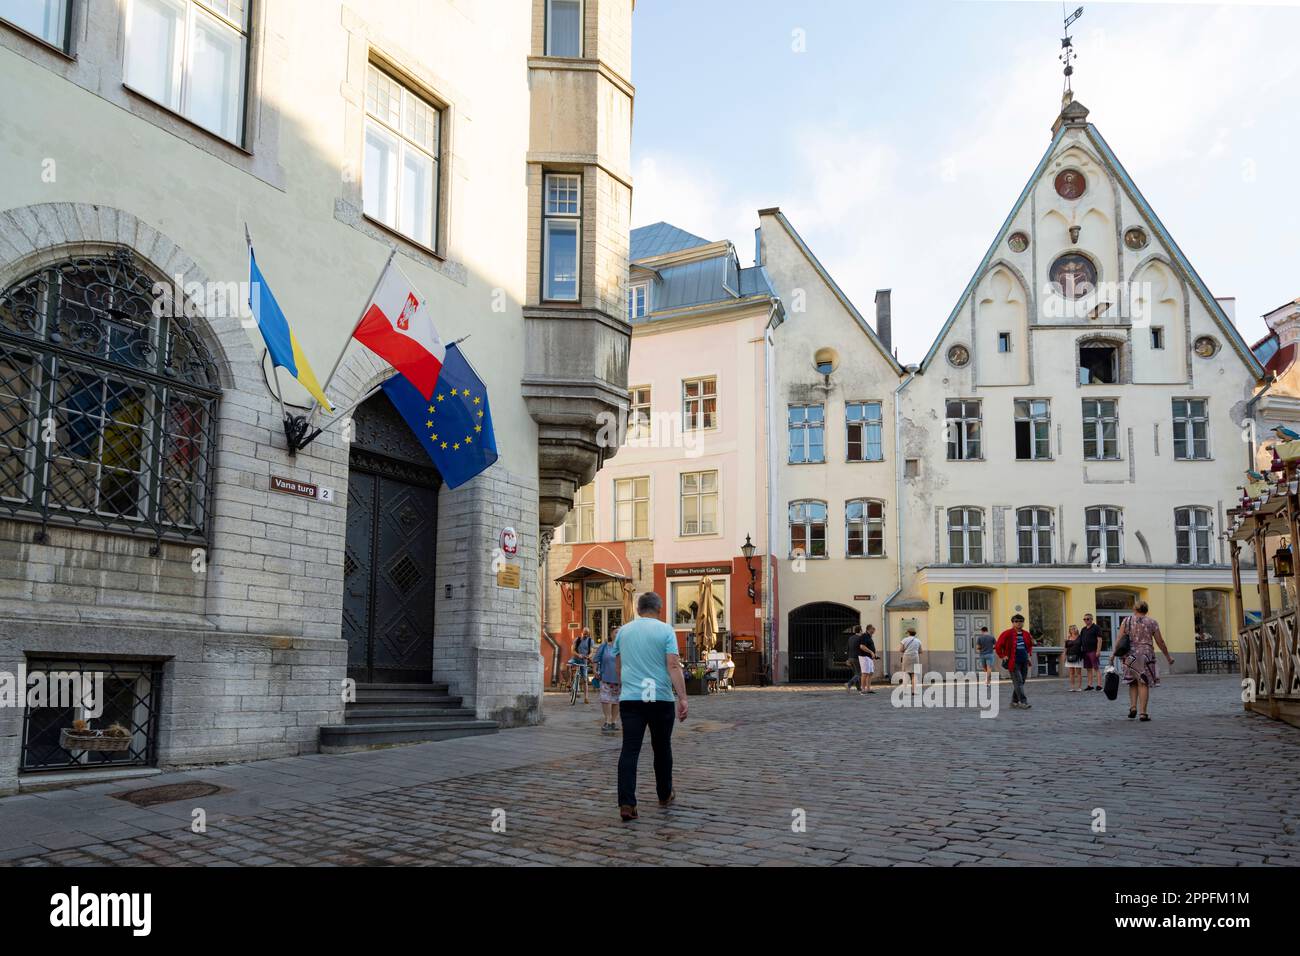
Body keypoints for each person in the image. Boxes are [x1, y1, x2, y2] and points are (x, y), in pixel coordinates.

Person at [613, 592, 688, 821]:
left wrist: (627, 685)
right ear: (659, 609)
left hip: (632, 698)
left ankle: (627, 803)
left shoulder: (623, 631)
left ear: (638, 609)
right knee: (662, 747)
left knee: (630, 749)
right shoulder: (665, 630)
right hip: (659, 698)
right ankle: (664, 794)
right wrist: (683, 697)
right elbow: (673, 665)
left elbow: (618, 666)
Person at [1117, 601, 1174, 722]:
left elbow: (1119, 638)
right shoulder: (1152, 622)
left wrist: (1113, 655)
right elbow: (1160, 641)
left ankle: (1133, 707)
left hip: (1130, 655)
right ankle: (1143, 713)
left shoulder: (1126, 621)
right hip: (1145, 655)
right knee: (1143, 682)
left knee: (1132, 682)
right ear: (1146, 610)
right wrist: (1168, 657)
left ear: (1134, 609)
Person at [995, 614, 1034, 709]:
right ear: (1012, 622)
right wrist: (1002, 656)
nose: (1018, 623)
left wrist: (1029, 655)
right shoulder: (1007, 633)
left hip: (1024, 661)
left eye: (1020, 621)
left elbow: (1029, 646)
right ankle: (1023, 702)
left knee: (1021, 681)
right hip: (1013, 662)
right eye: (1016, 621)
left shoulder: (1026, 634)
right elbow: (998, 646)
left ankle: (1014, 701)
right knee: (1019, 681)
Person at [592, 631, 621, 734]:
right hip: (605, 677)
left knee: (616, 701)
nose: (618, 633)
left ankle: (613, 721)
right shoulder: (605, 646)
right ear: (611, 634)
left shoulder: (624, 647)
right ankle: (607, 720)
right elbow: (596, 659)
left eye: (620, 632)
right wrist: (595, 670)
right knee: (605, 699)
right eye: (616, 631)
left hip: (619, 679)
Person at [569, 628, 594, 704]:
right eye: (584, 633)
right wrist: (578, 655)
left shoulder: (590, 641)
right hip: (575, 659)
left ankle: (586, 698)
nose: (585, 635)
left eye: (587, 634)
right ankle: (570, 682)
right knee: (568, 665)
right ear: (581, 633)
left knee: (585, 679)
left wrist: (589, 656)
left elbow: (591, 651)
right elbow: (572, 650)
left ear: (589, 634)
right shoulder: (577, 639)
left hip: (584, 661)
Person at [1078, 613, 1102, 691]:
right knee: (1088, 668)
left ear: (1092, 619)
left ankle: (1099, 685)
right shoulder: (1083, 629)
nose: (1086, 620)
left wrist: (1098, 650)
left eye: (1087, 619)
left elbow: (1099, 640)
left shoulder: (1096, 628)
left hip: (1093, 651)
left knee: (1096, 668)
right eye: (1084, 619)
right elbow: (1080, 640)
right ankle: (1090, 685)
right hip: (1085, 651)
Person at [856, 624, 879, 694]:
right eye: (873, 629)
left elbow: (870, 646)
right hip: (864, 657)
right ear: (869, 629)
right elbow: (862, 646)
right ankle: (863, 689)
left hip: (869, 657)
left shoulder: (869, 636)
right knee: (865, 673)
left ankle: (868, 689)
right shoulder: (864, 636)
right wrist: (871, 652)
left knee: (871, 673)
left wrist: (874, 654)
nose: (874, 631)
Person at [1064, 624, 1084, 691]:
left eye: (1074, 628)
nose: (1073, 630)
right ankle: (1072, 687)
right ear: (1070, 630)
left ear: (1076, 629)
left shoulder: (1080, 637)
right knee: (1071, 672)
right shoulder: (1068, 637)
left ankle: (1079, 687)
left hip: (1078, 656)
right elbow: (1066, 647)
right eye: (1071, 629)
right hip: (1069, 656)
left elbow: (1083, 647)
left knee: (1078, 672)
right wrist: (1064, 656)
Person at [843, 625, 863, 693]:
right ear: (860, 631)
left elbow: (846, 649)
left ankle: (859, 688)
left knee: (856, 673)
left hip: (850, 658)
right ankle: (849, 684)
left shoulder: (850, 638)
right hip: (857, 658)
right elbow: (862, 648)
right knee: (859, 673)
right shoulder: (860, 638)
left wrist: (847, 659)